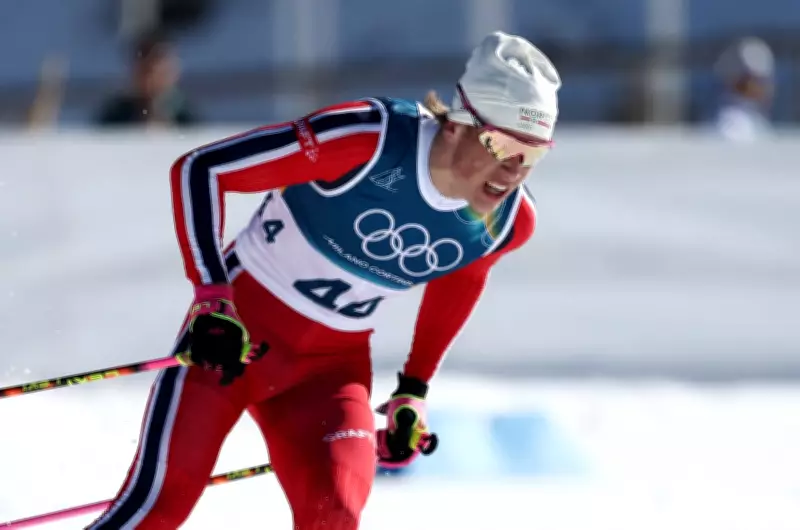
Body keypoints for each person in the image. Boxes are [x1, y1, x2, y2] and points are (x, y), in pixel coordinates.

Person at [86, 30, 561, 529]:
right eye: (504, 144)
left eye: (534, 154)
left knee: (333, 515)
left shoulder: (507, 223)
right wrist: (212, 298)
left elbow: (462, 279)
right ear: (458, 124)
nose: (515, 170)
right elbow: (201, 169)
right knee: (156, 510)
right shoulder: (368, 141)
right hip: (234, 342)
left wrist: (414, 390)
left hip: (330, 371)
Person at [95, 31, 200, 127]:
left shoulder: (185, 117)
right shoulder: (116, 114)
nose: (152, 79)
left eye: (161, 72)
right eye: (145, 71)